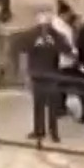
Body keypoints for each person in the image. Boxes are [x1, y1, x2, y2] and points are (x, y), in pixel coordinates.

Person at [25, 10, 74, 144]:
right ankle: (48, 132)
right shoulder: (51, 35)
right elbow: (68, 51)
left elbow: (67, 50)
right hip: (46, 74)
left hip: (43, 74)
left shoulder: (35, 35)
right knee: (46, 105)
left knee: (44, 105)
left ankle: (44, 131)